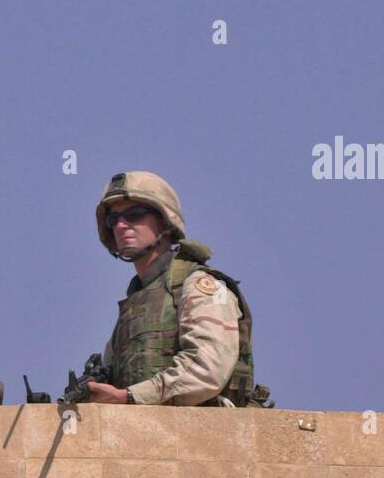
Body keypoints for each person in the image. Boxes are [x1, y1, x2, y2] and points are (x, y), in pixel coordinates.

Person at [83, 170, 268, 408]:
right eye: (112, 219)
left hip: (205, 435)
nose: (120, 225)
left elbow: (207, 369)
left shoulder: (197, 286)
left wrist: (131, 396)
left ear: (165, 220)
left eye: (134, 214)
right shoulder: (136, 302)